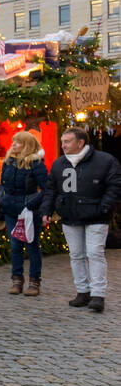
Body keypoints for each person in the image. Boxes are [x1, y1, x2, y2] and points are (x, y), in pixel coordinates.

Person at [41, 126, 121, 313]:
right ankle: (82, 291)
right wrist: (47, 210)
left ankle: (97, 295)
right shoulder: (60, 164)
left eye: (67, 142)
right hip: (70, 216)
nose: (63, 145)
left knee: (94, 253)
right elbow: (51, 189)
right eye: (62, 142)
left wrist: (104, 207)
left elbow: (115, 185)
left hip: (96, 216)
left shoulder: (105, 161)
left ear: (80, 142)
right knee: (76, 254)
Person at [0, 130, 50, 297]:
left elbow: (47, 188)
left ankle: (34, 282)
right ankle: (17, 280)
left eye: (18, 142)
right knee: (15, 245)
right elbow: (2, 184)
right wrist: (0, 198)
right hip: (11, 209)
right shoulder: (9, 162)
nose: (13, 145)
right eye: (13, 141)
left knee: (32, 245)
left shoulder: (37, 164)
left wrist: (33, 203)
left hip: (29, 211)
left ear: (27, 145)